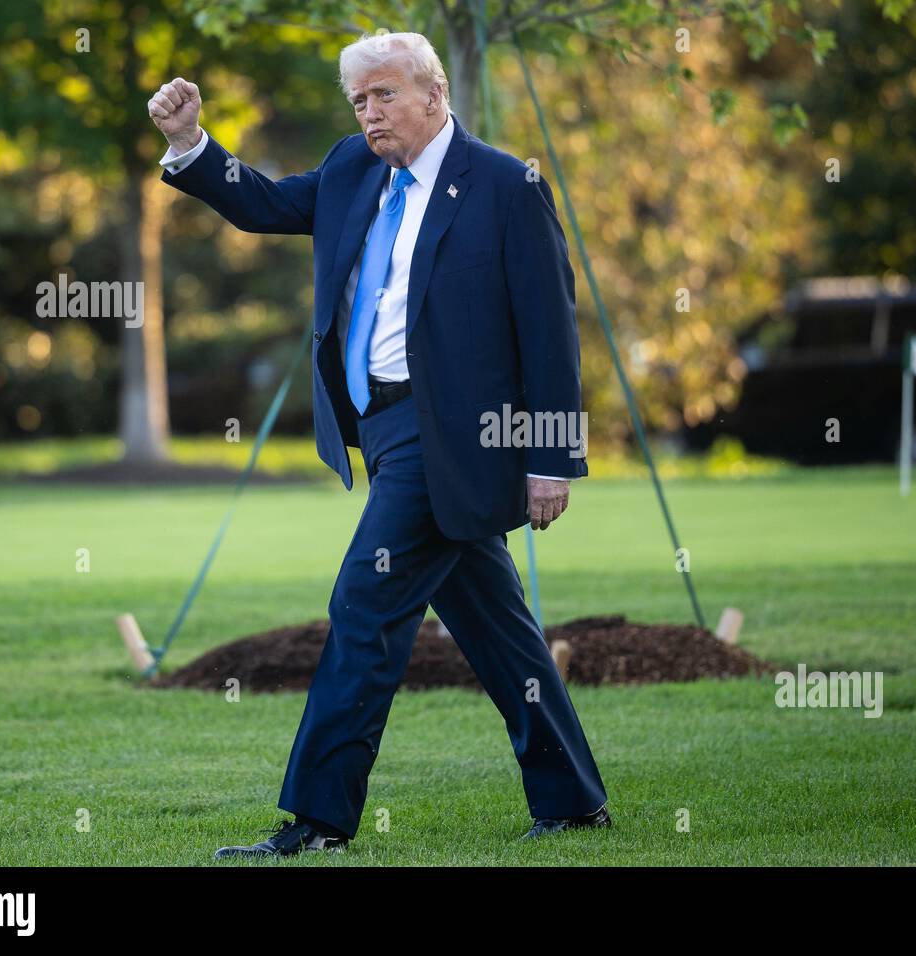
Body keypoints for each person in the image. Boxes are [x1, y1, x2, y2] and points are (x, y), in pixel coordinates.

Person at [147, 31, 610, 857]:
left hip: (460, 438)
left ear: (435, 94)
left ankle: (317, 819)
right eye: (358, 100)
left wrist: (550, 456)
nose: (369, 113)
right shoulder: (353, 169)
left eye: (384, 95)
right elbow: (264, 204)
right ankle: (573, 800)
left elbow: (550, 332)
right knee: (499, 630)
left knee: (362, 608)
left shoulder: (506, 185)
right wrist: (190, 144)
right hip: (384, 427)